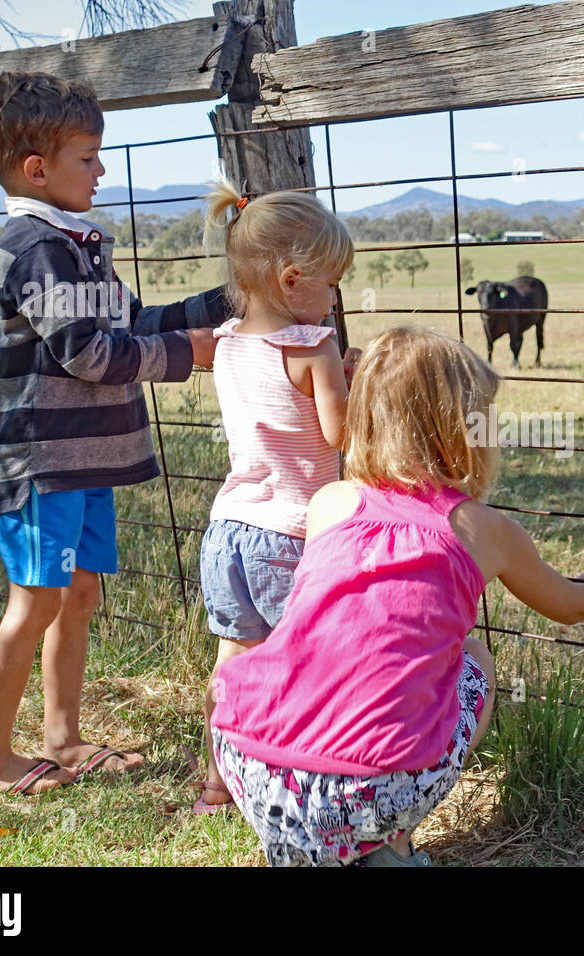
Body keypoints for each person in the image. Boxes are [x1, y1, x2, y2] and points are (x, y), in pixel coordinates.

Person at [210, 326, 584, 865]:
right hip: (361, 794)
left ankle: (308, 842)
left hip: (249, 762)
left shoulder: (330, 503)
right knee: (473, 657)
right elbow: (573, 604)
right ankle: (384, 844)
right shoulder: (480, 529)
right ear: (465, 430)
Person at [0, 71, 225, 795]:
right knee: (36, 600)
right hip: (43, 462)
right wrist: (188, 355)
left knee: (77, 596)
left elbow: (129, 323)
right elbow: (91, 354)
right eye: (88, 156)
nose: (102, 169)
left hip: (84, 462)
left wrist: (226, 301)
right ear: (37, 169)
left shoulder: (78, 243)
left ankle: (63, 737)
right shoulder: (35, 248)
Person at [193, 181, 360, 813]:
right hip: (290, 533)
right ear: (292, 280)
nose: (336, 295)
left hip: (229, 529)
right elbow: (338, 432)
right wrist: (355, 377)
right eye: (332, 282)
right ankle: (301, 781)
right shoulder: (313, 346)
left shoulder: (227, 340)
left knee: (233, 659)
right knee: (307, 662)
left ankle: (218, 782)